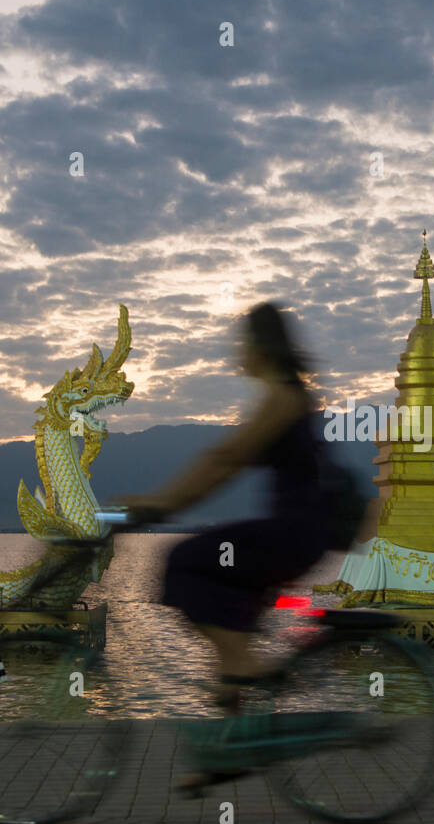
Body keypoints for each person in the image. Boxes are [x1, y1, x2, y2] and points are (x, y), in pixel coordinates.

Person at [122, 302, 333, 710]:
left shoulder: (282, 399)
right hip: (301, 532)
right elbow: (226, 463)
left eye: (244, 344)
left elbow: (225, 460)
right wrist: (168, 502)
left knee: (183, 561)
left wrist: (161, 502)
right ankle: (233, 724)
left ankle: (244, 667)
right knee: (225, 590)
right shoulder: (293, 396)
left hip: (294, 534)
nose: (239, 354)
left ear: (262, 347)